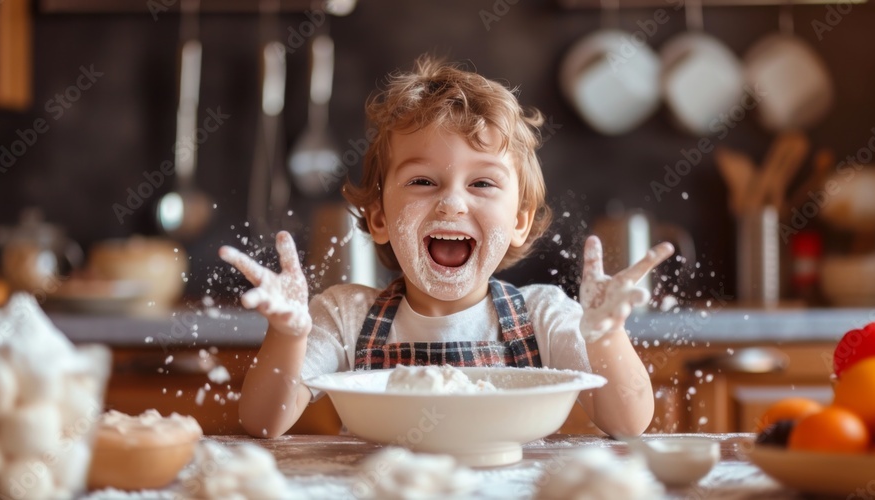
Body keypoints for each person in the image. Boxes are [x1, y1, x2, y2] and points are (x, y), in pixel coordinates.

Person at [219, 56, 674, 439]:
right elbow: (264, 423)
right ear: (379, 219)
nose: (452, 203)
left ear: (519, 221)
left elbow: (627, 423)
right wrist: (287, 336)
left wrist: (606, 337)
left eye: (482, 183)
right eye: (422, 181)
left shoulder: (544, 317)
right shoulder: (344, 317)